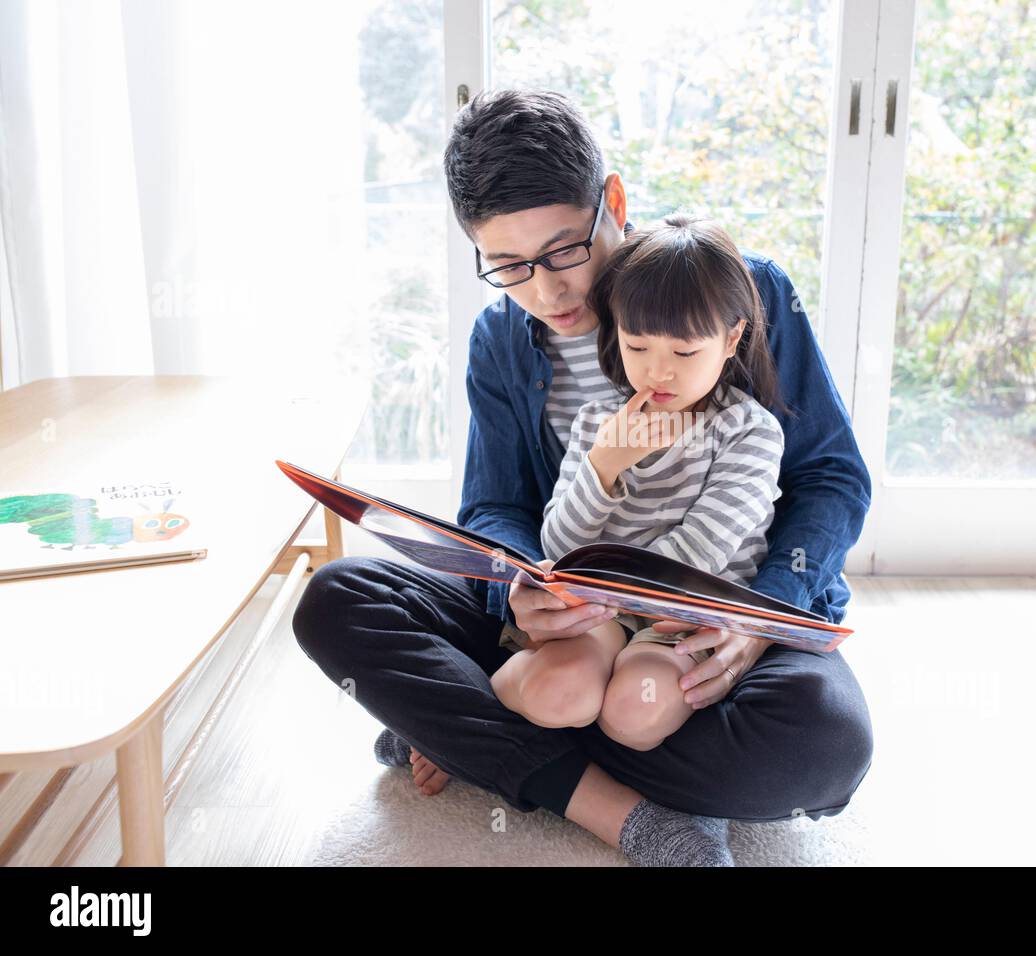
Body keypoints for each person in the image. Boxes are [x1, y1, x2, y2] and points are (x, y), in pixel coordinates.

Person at [292, 88, 875, 867]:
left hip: (717, 613)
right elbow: (496, 507)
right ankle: (630, 814)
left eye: (565, 250)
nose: (547, 291)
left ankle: (473, 728)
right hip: (568, 613)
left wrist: (759, 618)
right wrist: (519, 595)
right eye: (507, 265)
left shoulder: (737, 286)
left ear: (615, 202)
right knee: (336, 599)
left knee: (825, 745)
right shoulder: (501, 341)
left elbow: (832, 477)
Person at [489, 214, 786, 754]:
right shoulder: (599, 423)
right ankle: (479, 706)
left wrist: (608, 590)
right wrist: (604, 465)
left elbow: (699, 554)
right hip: (599, 610)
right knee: (560, 693)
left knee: (635, 708)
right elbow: (558, 548)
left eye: (685, 352)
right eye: (638, 345)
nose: (659, 373)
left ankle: (561, 750)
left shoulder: (751, 433)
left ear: (731, 337)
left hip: (682, 614)